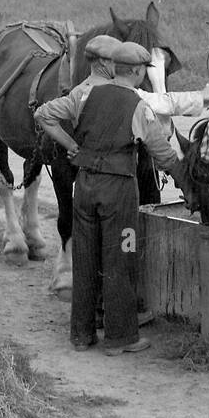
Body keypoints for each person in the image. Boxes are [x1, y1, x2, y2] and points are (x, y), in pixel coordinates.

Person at [36, 41, 181, 354]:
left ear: (115, 67)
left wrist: (71, 146)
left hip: (84, 187)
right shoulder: (139, 106)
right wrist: (187, 178)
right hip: (118, 193)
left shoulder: (83, 94)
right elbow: (163, 154)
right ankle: (120, 337)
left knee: (85, 258)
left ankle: (81, 335)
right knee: (121, 256)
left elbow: (43, 115)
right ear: (140, 71)